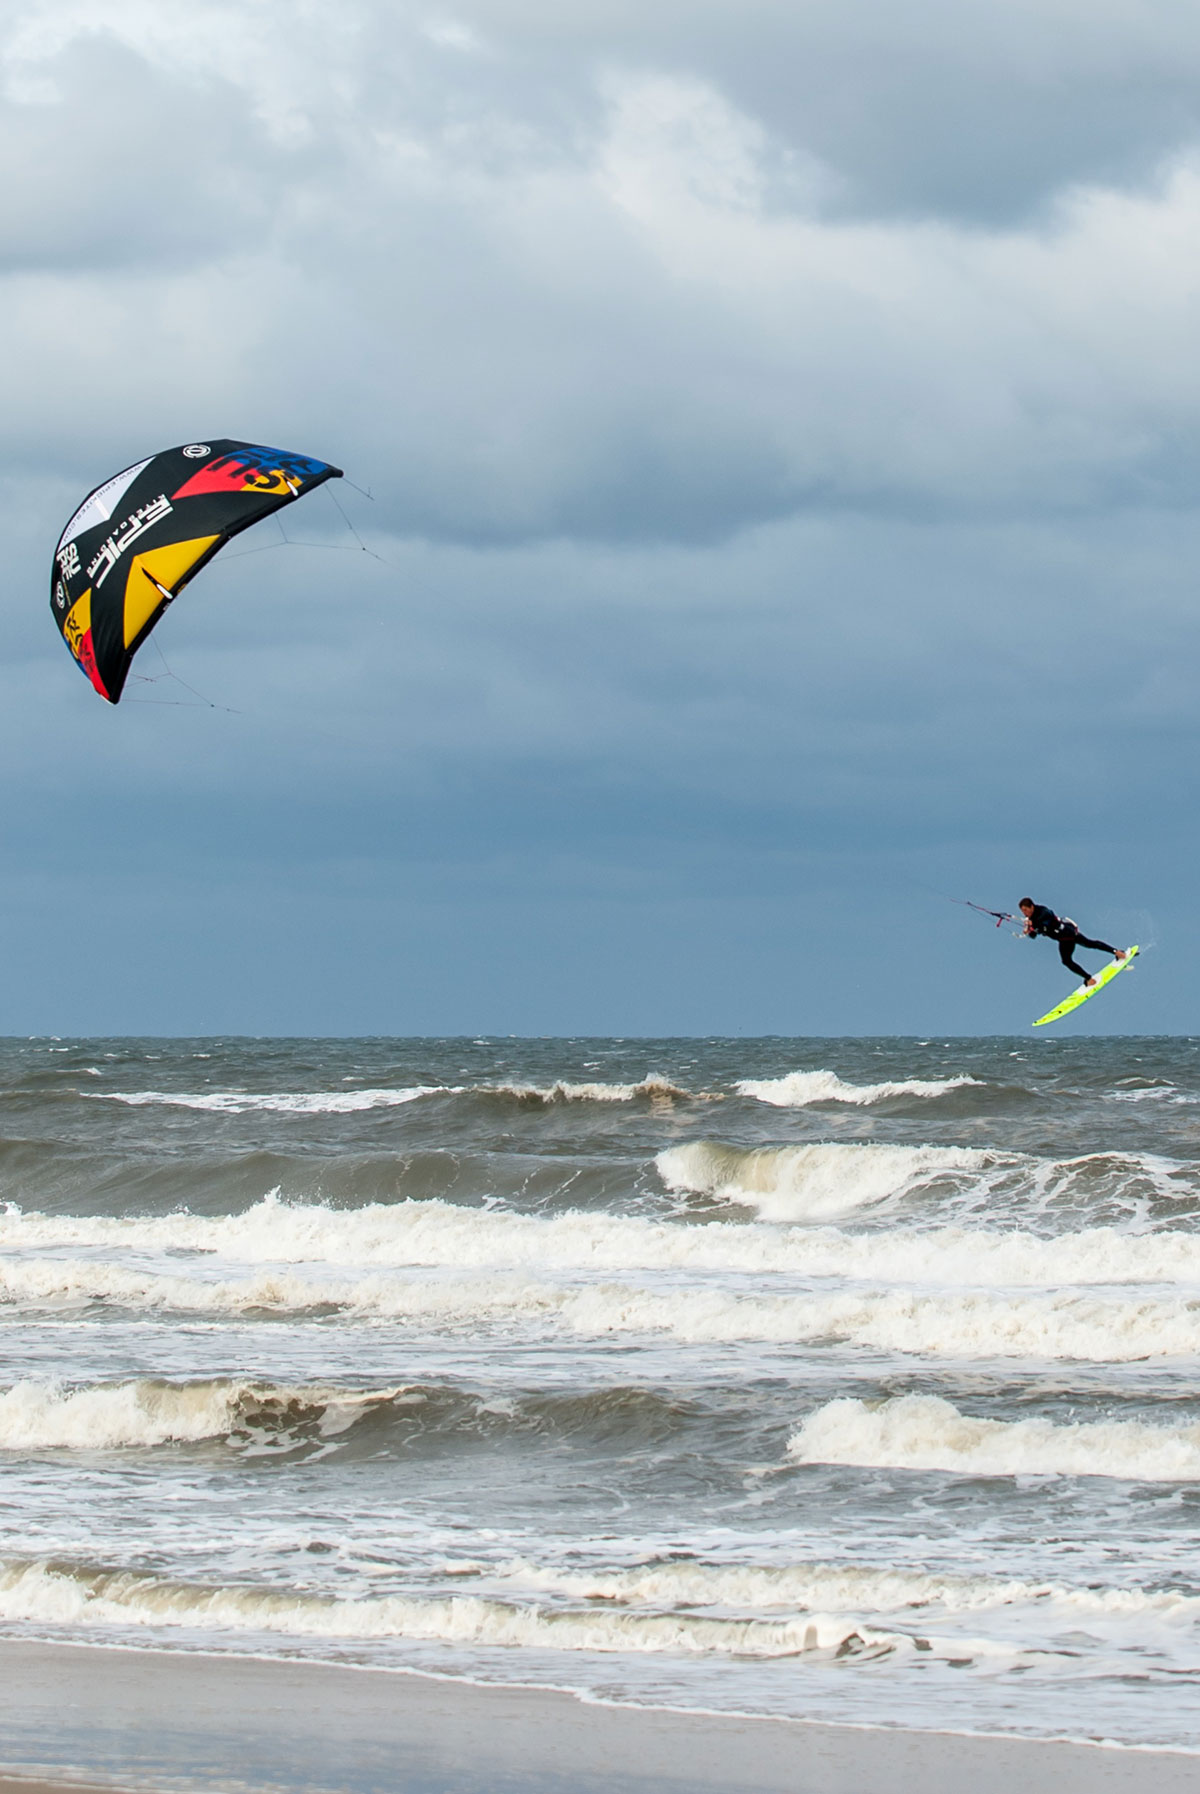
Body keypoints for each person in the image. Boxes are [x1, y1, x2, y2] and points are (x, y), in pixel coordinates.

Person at [1018, 899, 1126, 987]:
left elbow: (1047, 918)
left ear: (1032, 906)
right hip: (1067, 934)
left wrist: (1033, 924)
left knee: (1067, 960)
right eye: (1022, 911)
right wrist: (1029, 931)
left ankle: (1089, 979)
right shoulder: (1031, 919)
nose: (1024, 913)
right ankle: (1116, 952)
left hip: (1066, 935)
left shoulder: (1042, 910)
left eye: (1025, 910)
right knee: (1089, 944)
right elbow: (1033, 936)